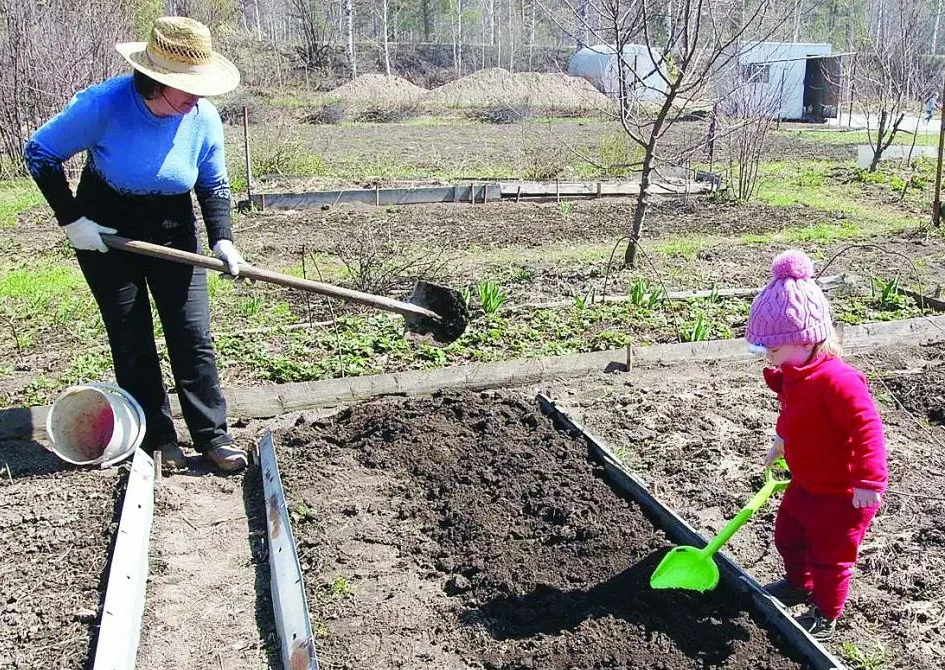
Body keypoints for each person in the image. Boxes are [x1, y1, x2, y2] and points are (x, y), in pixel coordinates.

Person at [24, 17, 248, 472]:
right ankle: (157, 438)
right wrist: (73, 221)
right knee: (132, 337)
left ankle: (212, 436)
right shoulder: (104, 105)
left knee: (192, 335)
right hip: (106, 231)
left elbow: (214, 184)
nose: (196, 99)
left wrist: (223, 240)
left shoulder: (202, 117)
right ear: (155, 81)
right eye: (186, 89)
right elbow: (40, 153)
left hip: (172, 226)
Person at [745, 249, 887, 640]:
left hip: (842, 497)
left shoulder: (838, 381)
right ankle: (797, 585)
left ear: (805, 339)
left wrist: (869, 482)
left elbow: (868, 429)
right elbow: (793, 414)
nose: (768, 357)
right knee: (787, 536)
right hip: (805, 483)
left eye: (773, 348)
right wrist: (780, 441)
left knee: (831, 559)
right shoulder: (796, 374)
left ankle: (826, 612)